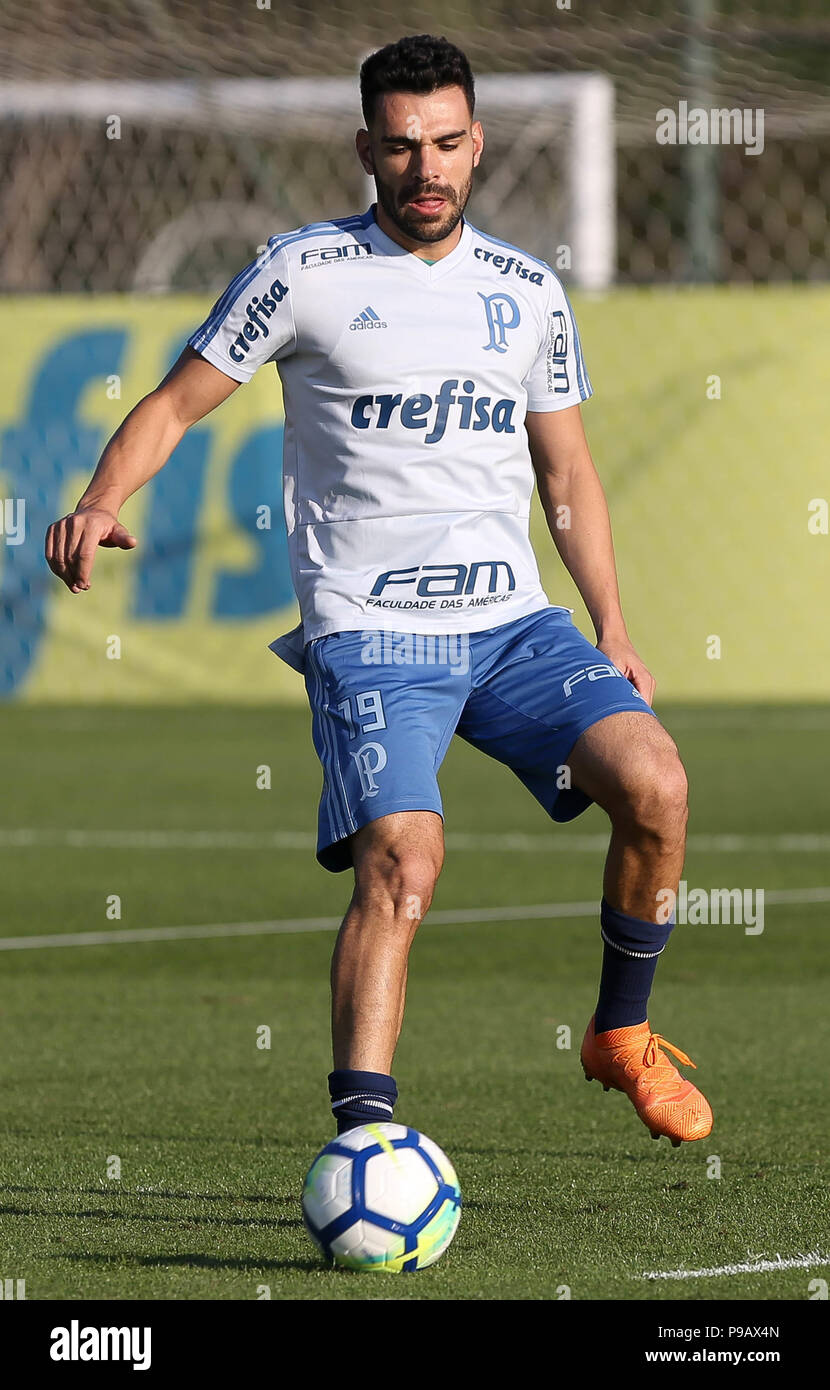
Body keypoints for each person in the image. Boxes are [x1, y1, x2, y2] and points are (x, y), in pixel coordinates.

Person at [45, 34, 712, 1149]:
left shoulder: (525, 293)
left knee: (656, 783)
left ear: (477, 142)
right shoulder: (301, 273)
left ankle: (618, 1034)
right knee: (403, 855)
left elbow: (567, 475)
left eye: (446, 142)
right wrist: (102, 495)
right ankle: (364, 1140)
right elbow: (171, 403)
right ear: (365, 148)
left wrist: (610, 624)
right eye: (401, 146)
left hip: (509, 626)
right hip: (372, 631)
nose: (426, 167)